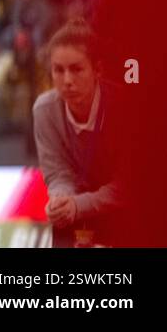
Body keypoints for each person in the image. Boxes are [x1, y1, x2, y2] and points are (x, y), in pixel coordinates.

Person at [32, 22, 123, 246]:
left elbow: (129, 186)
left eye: (76, 69)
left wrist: (77, 205)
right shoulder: (44, 110)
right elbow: (57, 173)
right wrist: (61, 200)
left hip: (126, 213)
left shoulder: (124, 107)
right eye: (58, 70)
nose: (67, 80)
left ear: (97, 70)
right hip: (76, 214)